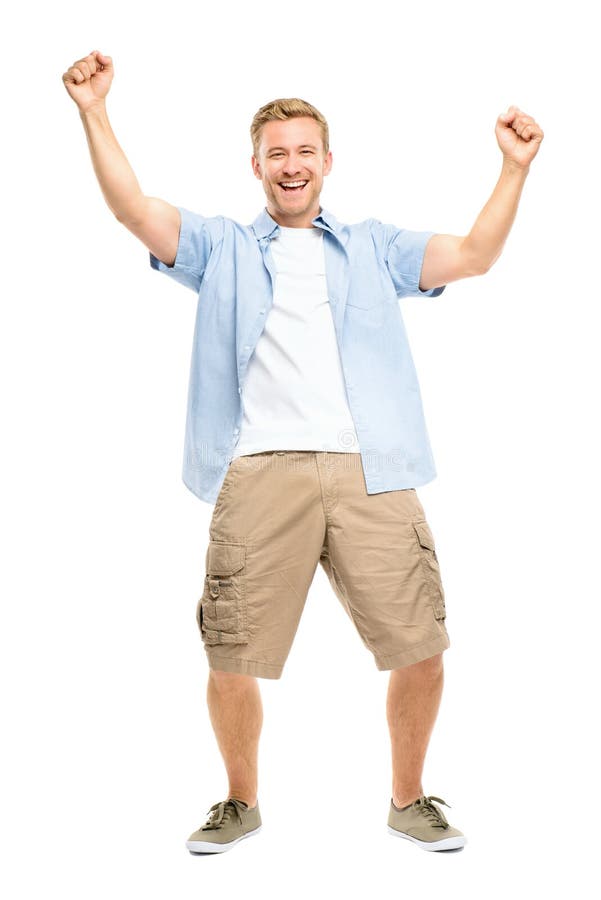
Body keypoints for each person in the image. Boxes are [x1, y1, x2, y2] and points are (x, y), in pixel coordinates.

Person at [62, 50, 544, 855]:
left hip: (371, 473)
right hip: (259, 471)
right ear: (256, 166)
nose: (292, 165)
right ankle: (239, 801)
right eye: (276, 153)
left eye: (304, 151)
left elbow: (473, 256)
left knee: (421, 647)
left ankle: (408, 800)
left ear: (327, 162)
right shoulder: (220, 247)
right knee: (231, 653)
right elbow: (132, 210)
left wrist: (514, 168)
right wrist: (93, 111)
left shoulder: (373, 247)